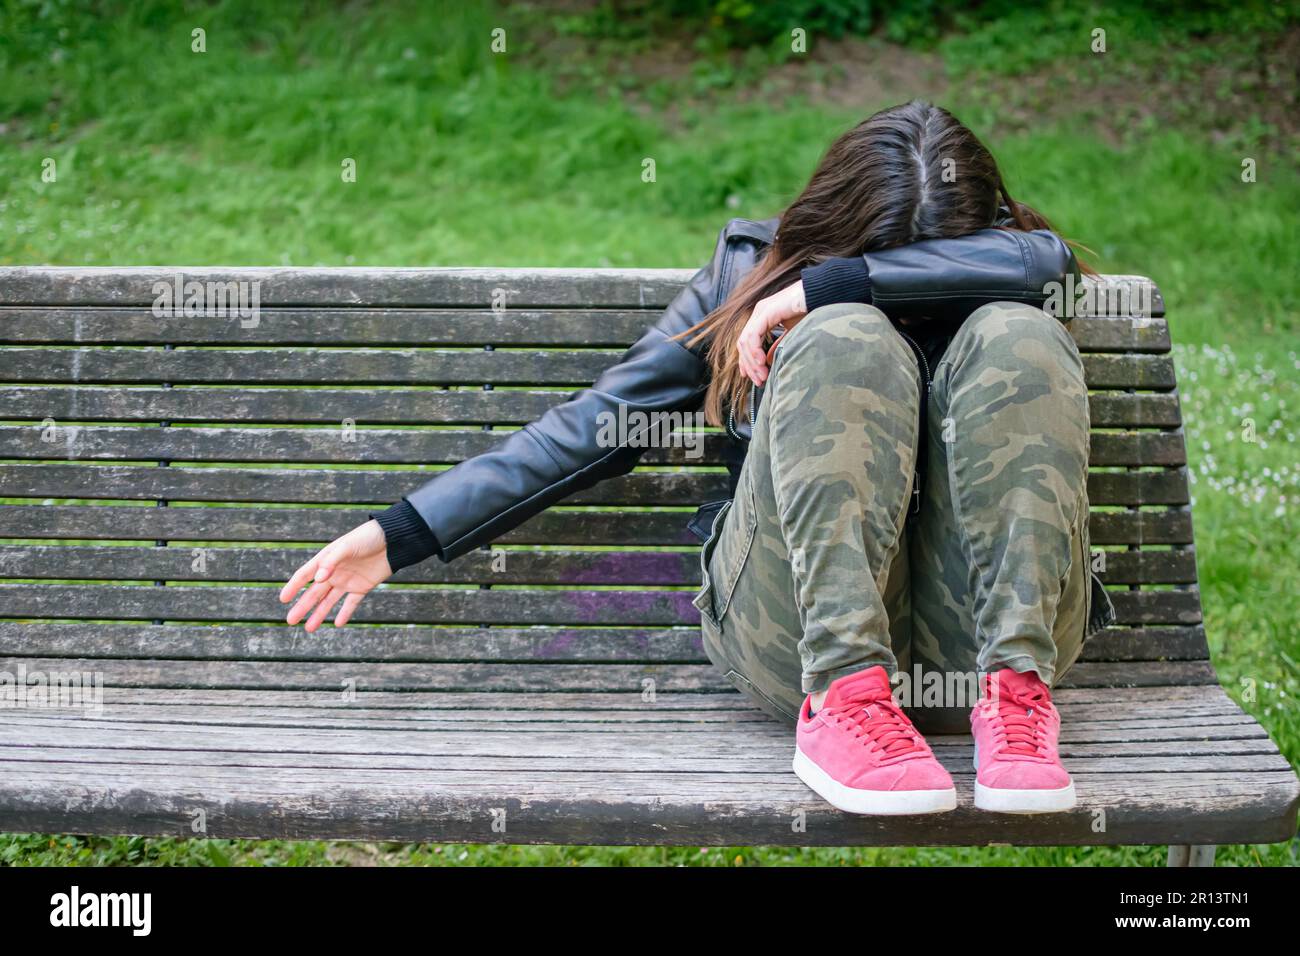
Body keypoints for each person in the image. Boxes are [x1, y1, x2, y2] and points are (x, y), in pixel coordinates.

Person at [280, 100, 1116, 816]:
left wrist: (828, 286)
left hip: (994, 636)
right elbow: (599, 425)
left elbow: (1051, 263)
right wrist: (405, 531)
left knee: (1017, 332)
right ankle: (845, 701)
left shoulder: (1022, 272)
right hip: (795, 637)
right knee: (846, 340)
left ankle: (1017, 699)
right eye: (852, 261)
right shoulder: (749, 275)